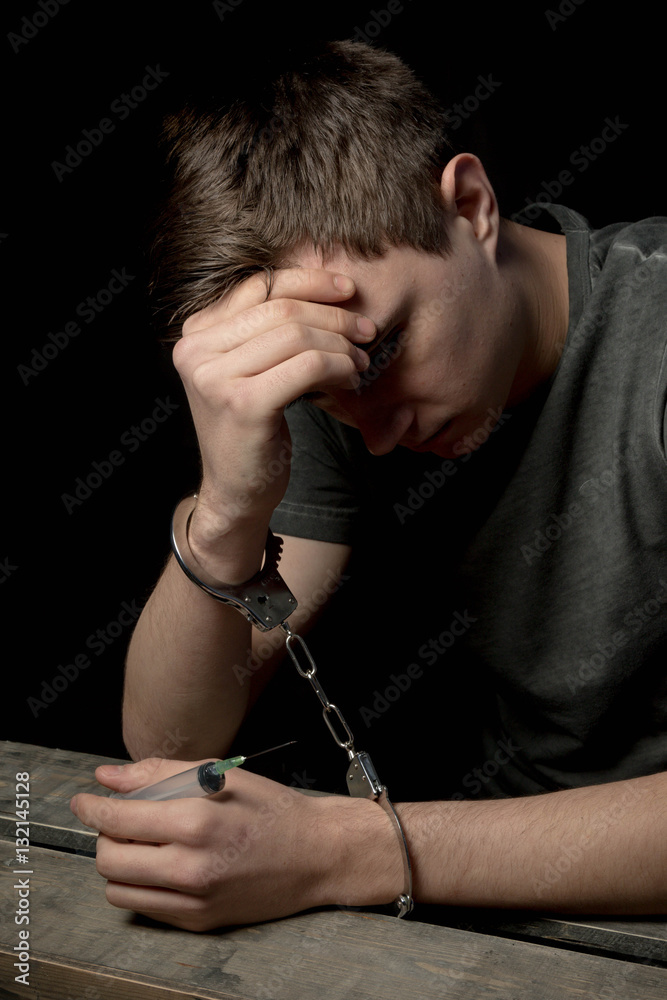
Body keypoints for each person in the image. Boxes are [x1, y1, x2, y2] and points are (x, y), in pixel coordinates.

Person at [70, 40, 667, 931]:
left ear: (469, 206)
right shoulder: (337, 378)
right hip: (487, 913)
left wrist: (345, 849)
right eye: (326, 394)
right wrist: (228, 511)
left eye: (383, 352)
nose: (376, 434)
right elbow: (172, 746)